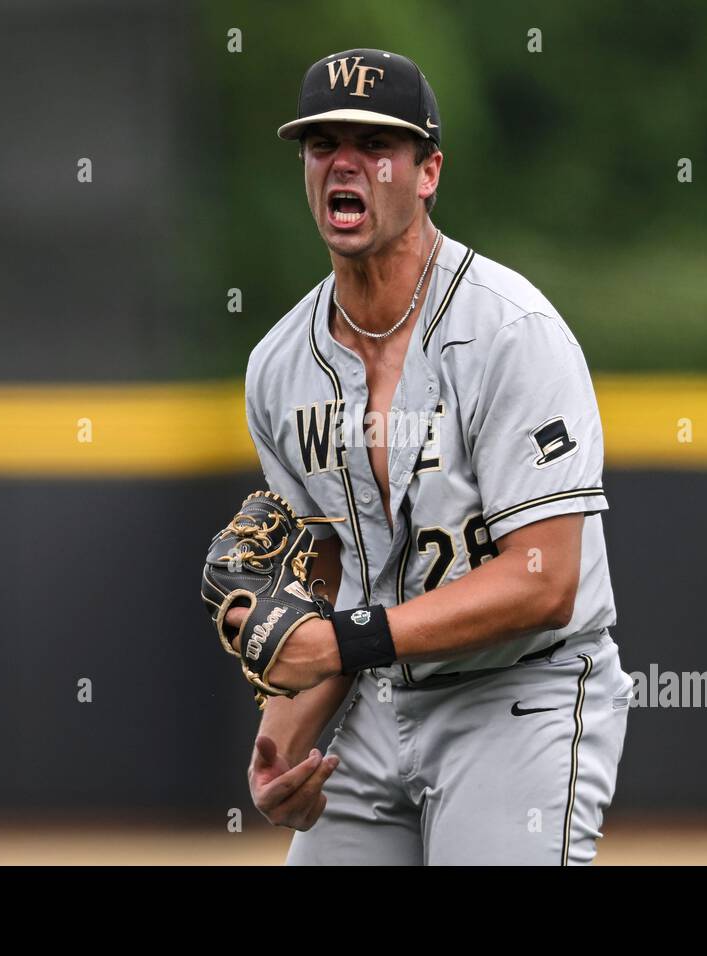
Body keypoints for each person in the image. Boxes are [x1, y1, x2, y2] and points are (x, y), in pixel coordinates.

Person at [222, 48, 631, 864]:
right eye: (321, 142)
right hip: (373, 708)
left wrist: (342, 643)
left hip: (520, 692)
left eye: (377, 145)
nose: (345, 161)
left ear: (428, 171)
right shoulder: (278, 366)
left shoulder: (512, 333)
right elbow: (336, 577)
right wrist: (280, 742)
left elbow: (545, 582)